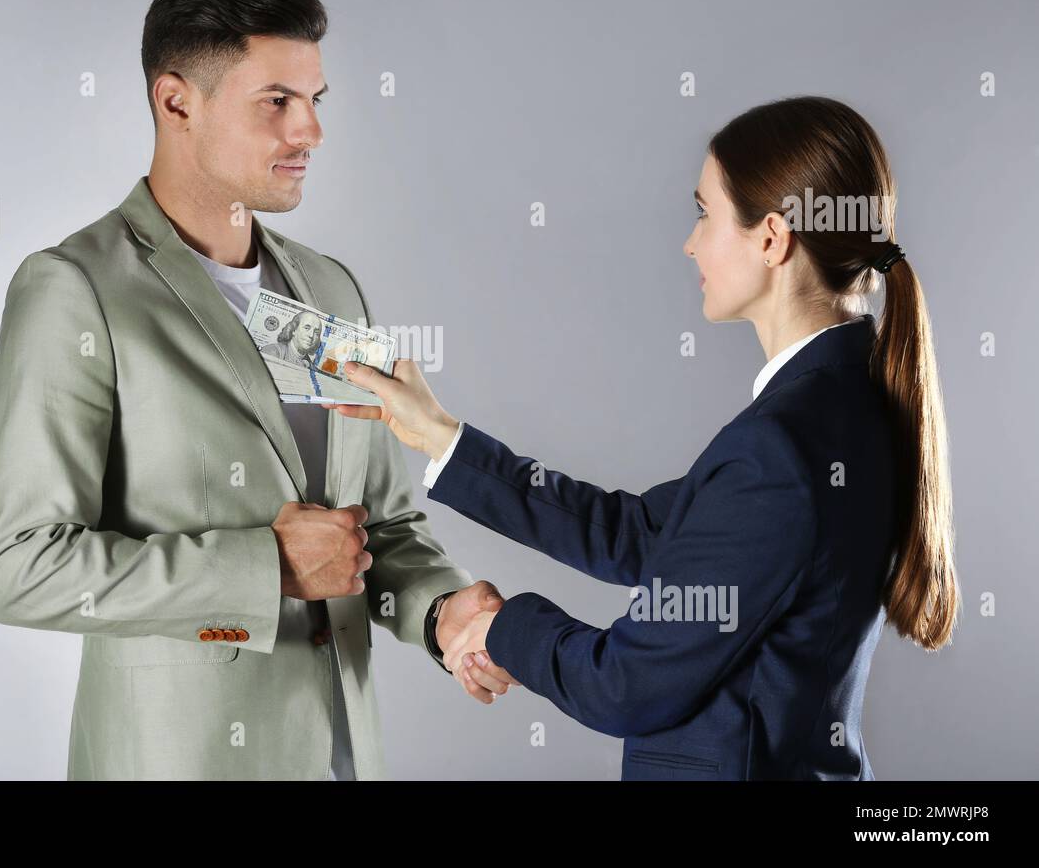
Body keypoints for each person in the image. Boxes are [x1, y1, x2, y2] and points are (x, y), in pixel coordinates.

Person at [0, 0, 505, 781]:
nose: (311, 133)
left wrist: (444, 611)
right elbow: (22, 568)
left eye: (315, 102)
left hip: (342, 759)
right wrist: (265, 568)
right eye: (277, 103)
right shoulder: (73, 289)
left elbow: (385, 529)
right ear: (177, 101)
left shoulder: (333, 288)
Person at [333, 96, 959, 779]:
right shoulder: (848, 406)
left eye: (704, 214)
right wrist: (441, 437)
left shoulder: (782, 447)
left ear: (772, 238)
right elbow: (639, 533)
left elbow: (626, 684)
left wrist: (500, 627)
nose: (691, 242)